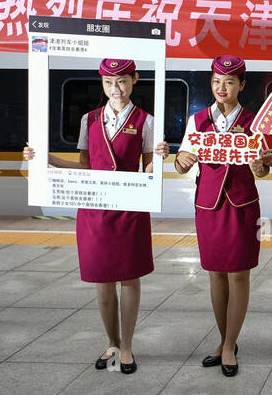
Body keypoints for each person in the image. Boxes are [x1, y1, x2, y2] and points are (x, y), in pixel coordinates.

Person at [22, 59, 168, 374]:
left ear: (135, 80)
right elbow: (87, 167)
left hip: (130, 207)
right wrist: (47, 160)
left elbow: (148, 168)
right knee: (102, 281)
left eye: (122, 81)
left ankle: (126, 347)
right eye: (108, 82)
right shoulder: (89, 119)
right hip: (95, 209)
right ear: (101, 83)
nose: (115, 89)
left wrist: (157, 162)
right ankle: (112, 343)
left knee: (129, 278)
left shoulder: (147, 121)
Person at [175, 55, 268, 376]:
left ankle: (229, 345)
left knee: (239, 275)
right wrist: (181, 161)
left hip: (242, 206)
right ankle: (224, 339)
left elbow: (263, 167)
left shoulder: (255, 121)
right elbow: (182, 160)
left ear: (242, 85)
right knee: (215, 274)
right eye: (216, 81)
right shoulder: (197, 120)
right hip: (209, 207)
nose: (221, 87)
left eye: (229, 82)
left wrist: (259, 166)